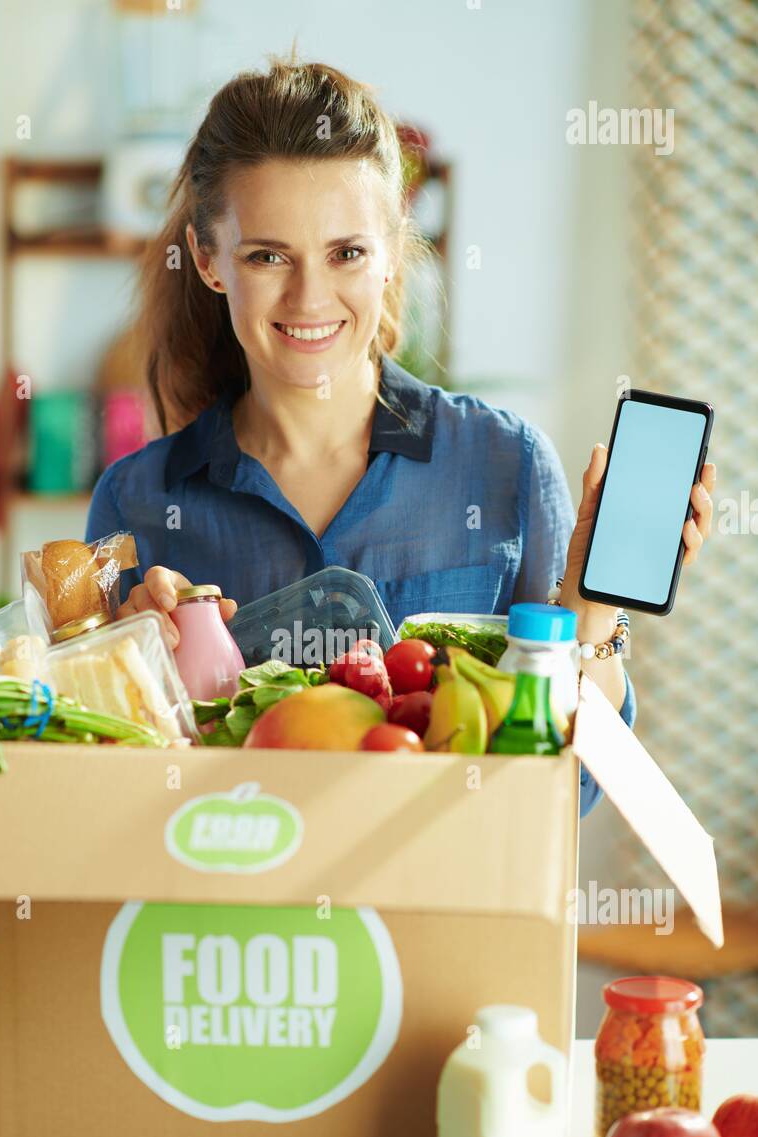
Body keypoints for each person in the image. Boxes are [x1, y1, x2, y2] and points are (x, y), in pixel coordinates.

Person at [86, 58, 714, 816]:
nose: (310, 297)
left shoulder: (505, 468)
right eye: (267, 255)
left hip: (438, 919)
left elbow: (567, 794)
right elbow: (107, 798)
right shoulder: (138, 502)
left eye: (346, 252)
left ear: (389, 252)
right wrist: (122, 673)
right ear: (211, 260)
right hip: (232, 927)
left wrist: (589, 606)